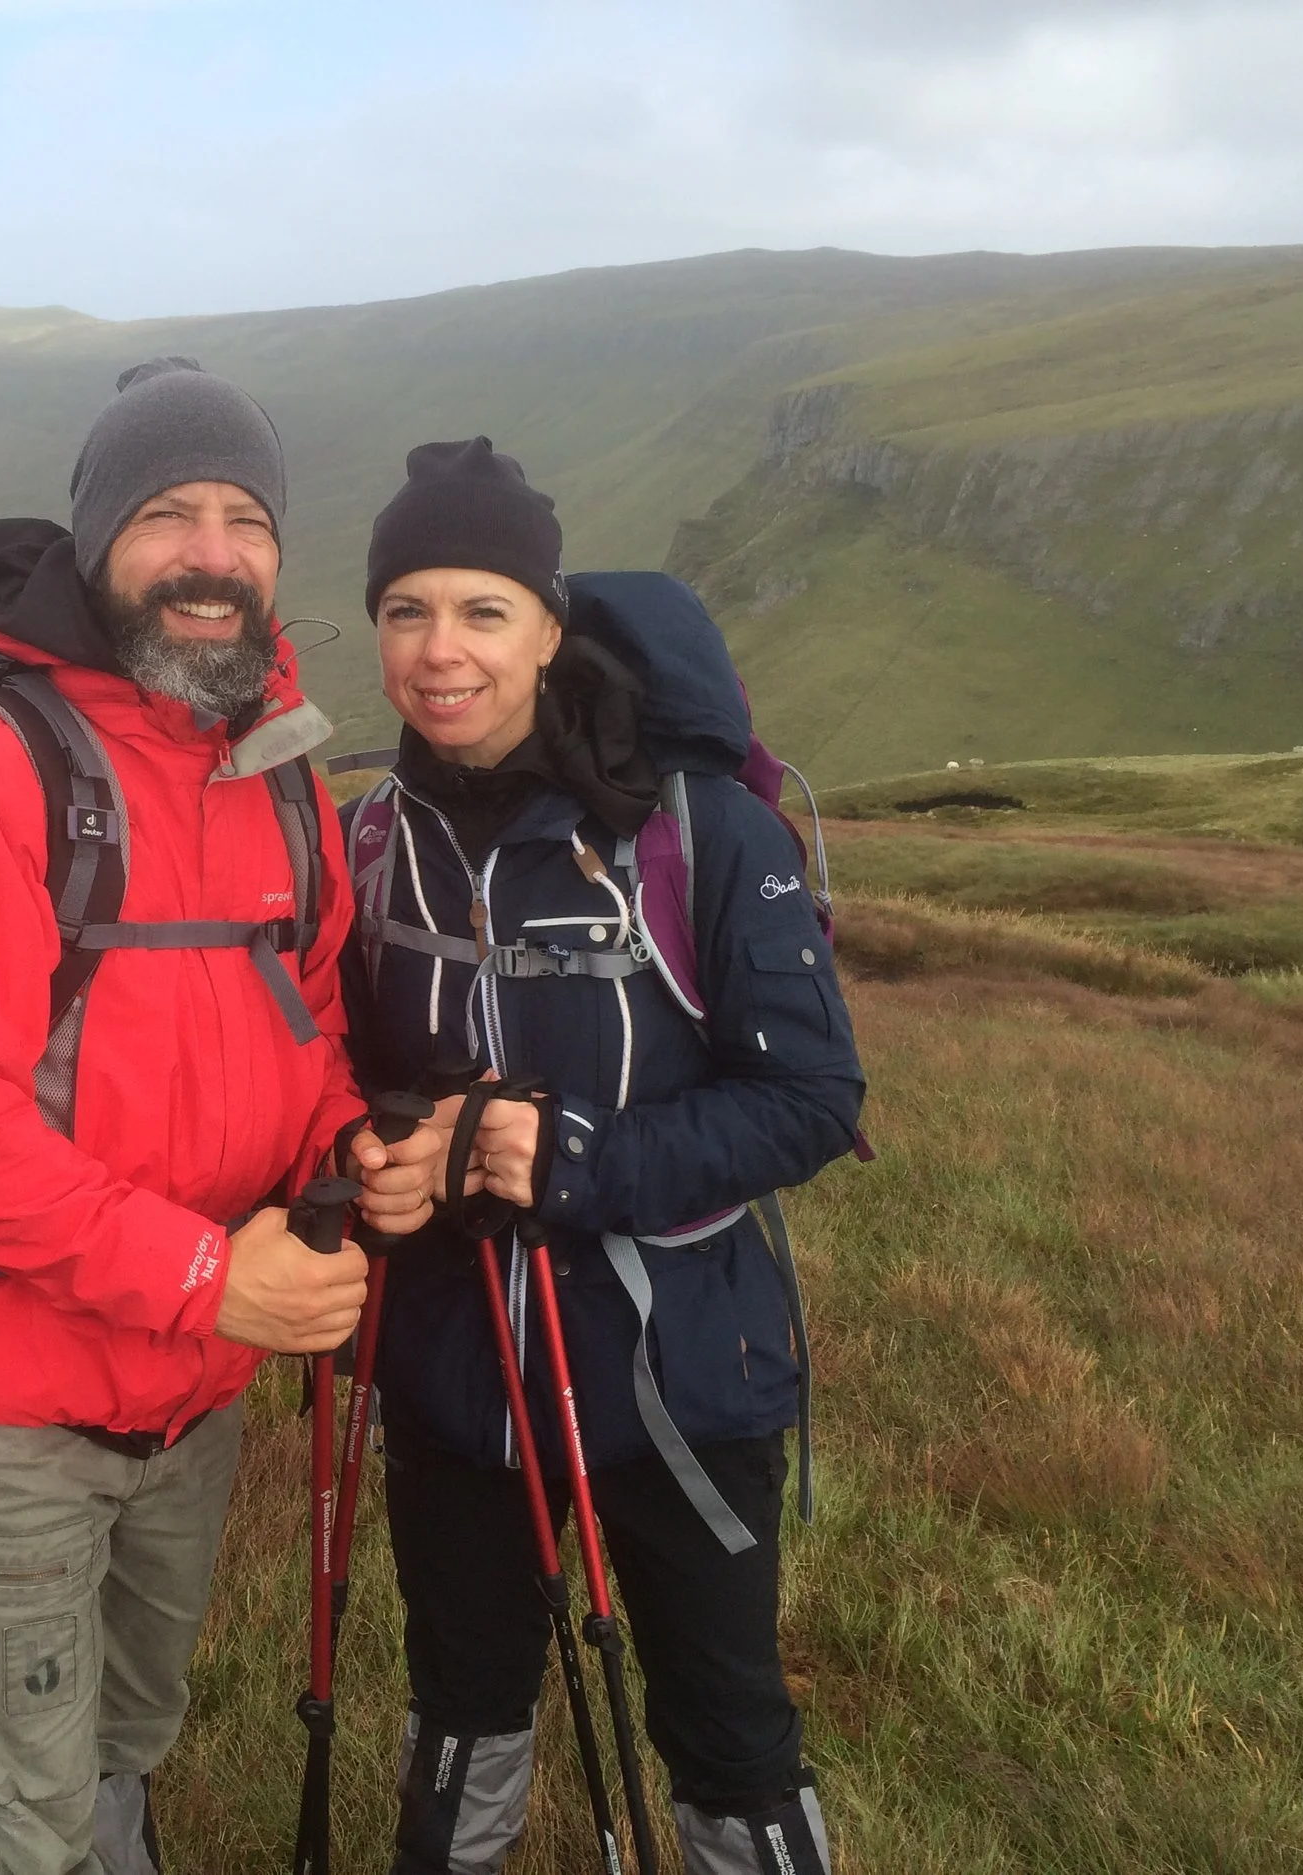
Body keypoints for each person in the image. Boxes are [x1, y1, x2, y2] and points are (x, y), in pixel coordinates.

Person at [0, 358, 442, 1875]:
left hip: (192, 1403)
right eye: (170, 514)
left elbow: (304, 1027)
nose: (213, 555)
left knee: (124, 1744)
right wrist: (208, 1277)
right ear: (98, 538)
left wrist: (347, 1146)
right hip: (10, 1411)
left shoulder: (280, 779)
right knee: (15, 1830)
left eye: (248, 521)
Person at [340, 439, 867, 1875]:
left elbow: (815, 1097)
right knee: (463, 1706)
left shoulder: (702, 832)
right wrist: (371, 1147)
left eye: (483, 610)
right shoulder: (369, 838)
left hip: (680, 1367)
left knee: (728, 1732)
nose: (440, 651)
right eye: (405, 611)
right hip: (455, 1367)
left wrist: (573, 1153)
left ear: (549, 629)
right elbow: (337, 1070)